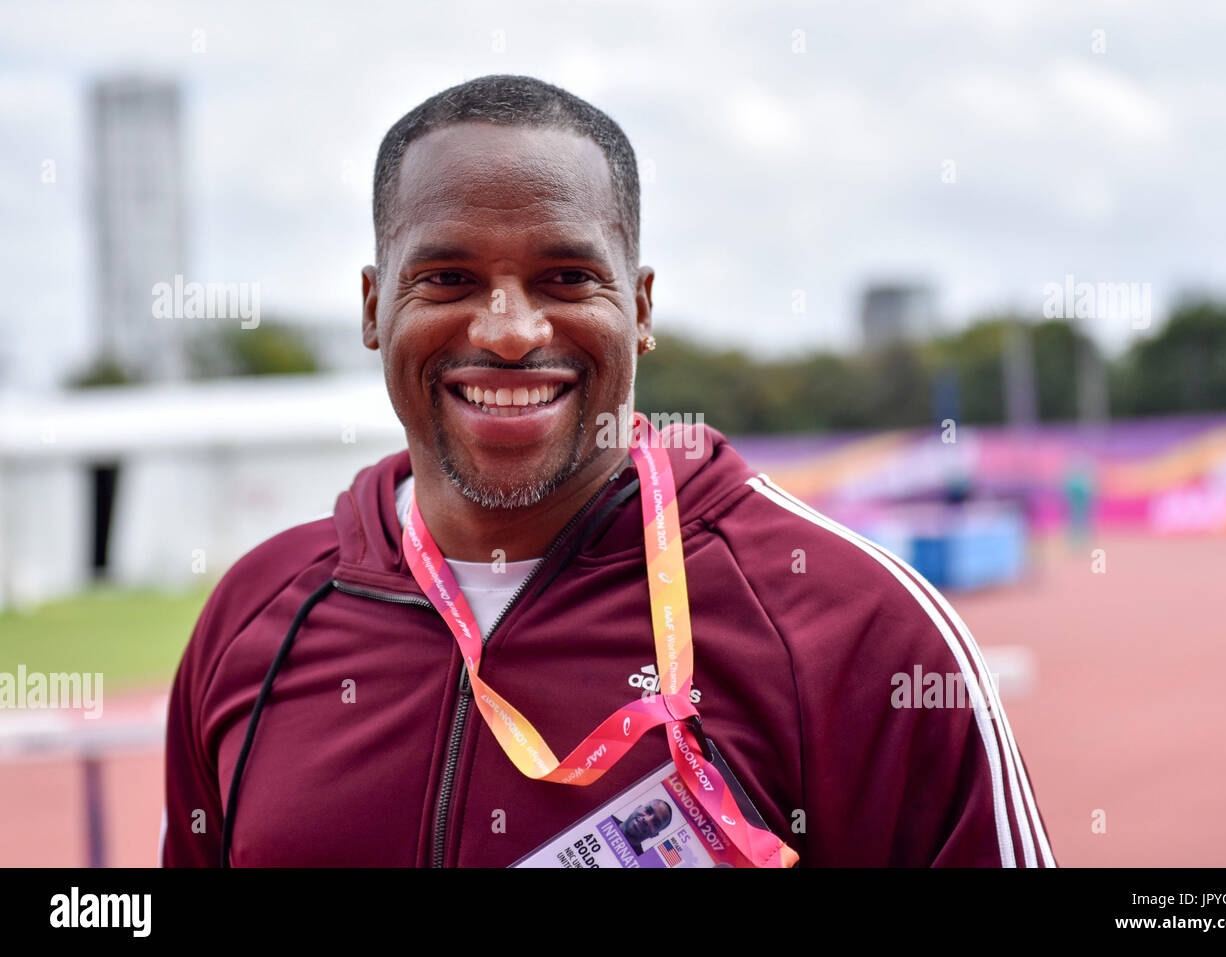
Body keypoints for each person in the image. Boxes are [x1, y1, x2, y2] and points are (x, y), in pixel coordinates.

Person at [162, 74, 1054, 868]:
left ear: (639, 305)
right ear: (372, 306)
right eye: (446, 278)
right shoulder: (253, 619)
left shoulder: (855, 630)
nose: (509, 332)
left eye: (565, 277)